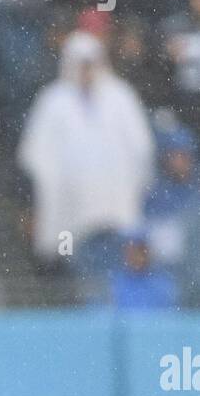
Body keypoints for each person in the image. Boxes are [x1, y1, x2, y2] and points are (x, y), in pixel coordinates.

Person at [18, 32, 155, 265]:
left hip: (114, 196)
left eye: (90, 64)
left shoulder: (121, 97)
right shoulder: (53, 100)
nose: (86, 71)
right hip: (68, 199)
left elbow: (140, 144)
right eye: (80, 65)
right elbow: (35, 151)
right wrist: (57, 176)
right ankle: (66, 274)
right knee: (68, 252)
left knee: (112, 255)